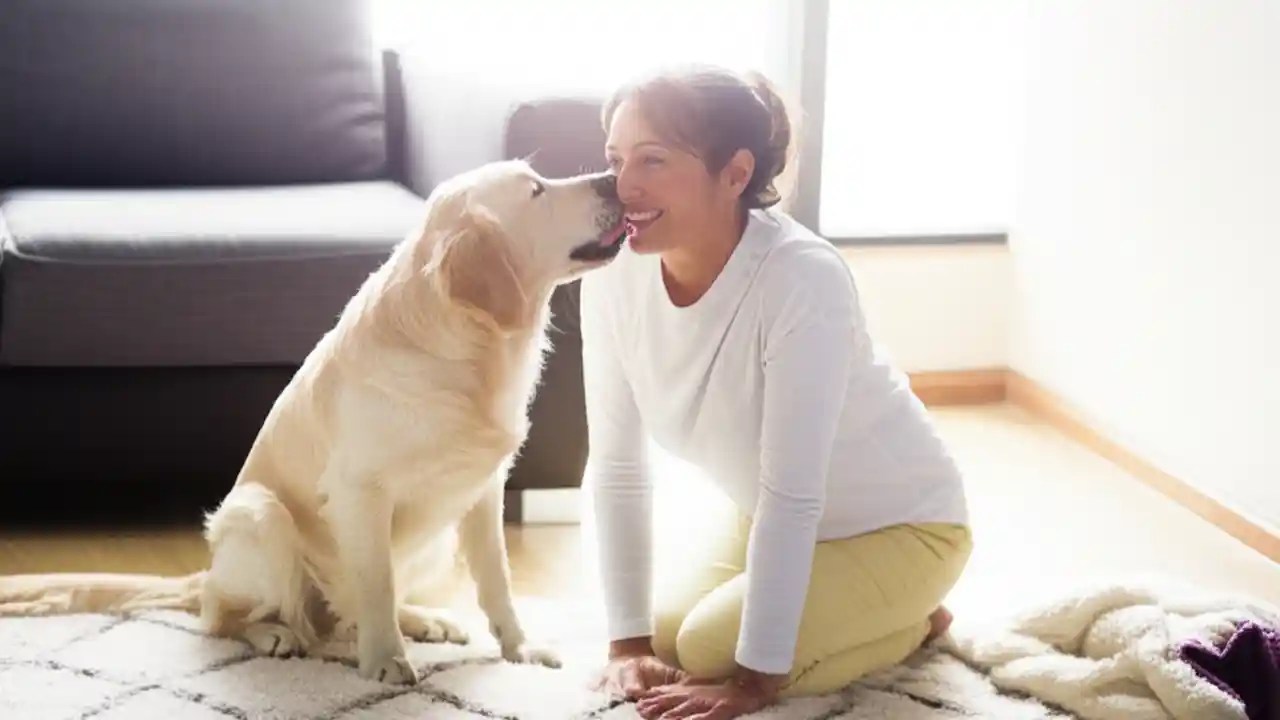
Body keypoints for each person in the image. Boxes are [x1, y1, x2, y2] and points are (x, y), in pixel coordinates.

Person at [579, 65, 973, 720]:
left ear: (734, 174)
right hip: (767, 510)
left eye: (652, 160)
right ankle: (862, 611)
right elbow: (619, 467)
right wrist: (628, 642)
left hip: (906, 525)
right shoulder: (614, 273)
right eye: (616, 159)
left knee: (711, 651)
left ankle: (913, 620)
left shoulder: (801, 279)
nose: (623, 186)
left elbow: (797, 491)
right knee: (669, 635)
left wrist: (755, 683)